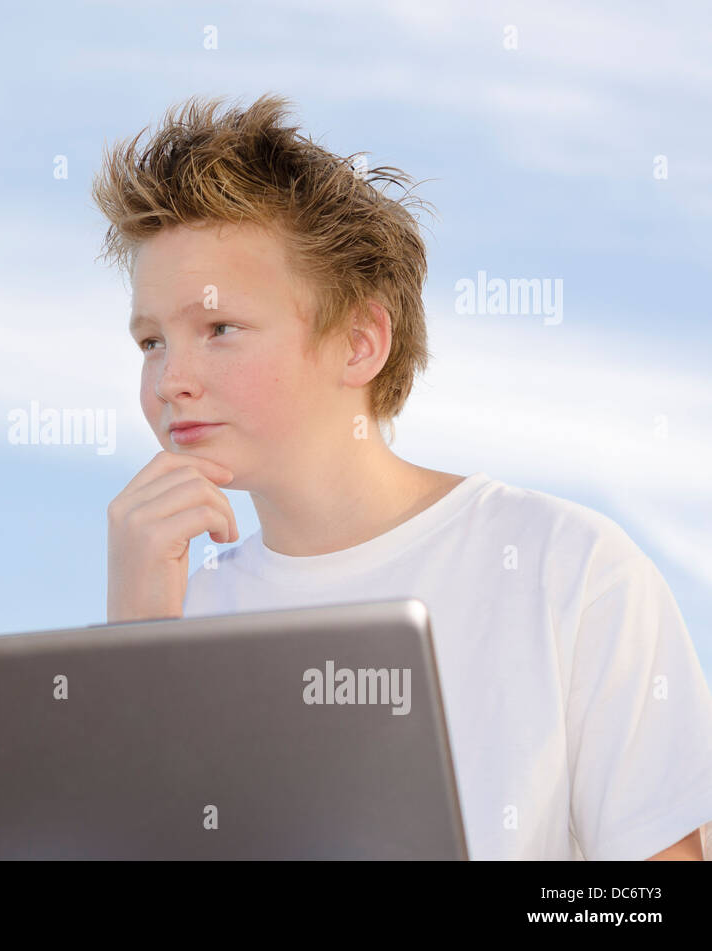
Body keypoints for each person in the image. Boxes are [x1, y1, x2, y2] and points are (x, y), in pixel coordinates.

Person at [93, 93, 711, 861]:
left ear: (359, 342)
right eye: (151, 341)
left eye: (219, 328)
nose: (171, 378)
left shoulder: (568, 567)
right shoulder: (175, 610)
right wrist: (134, 649)